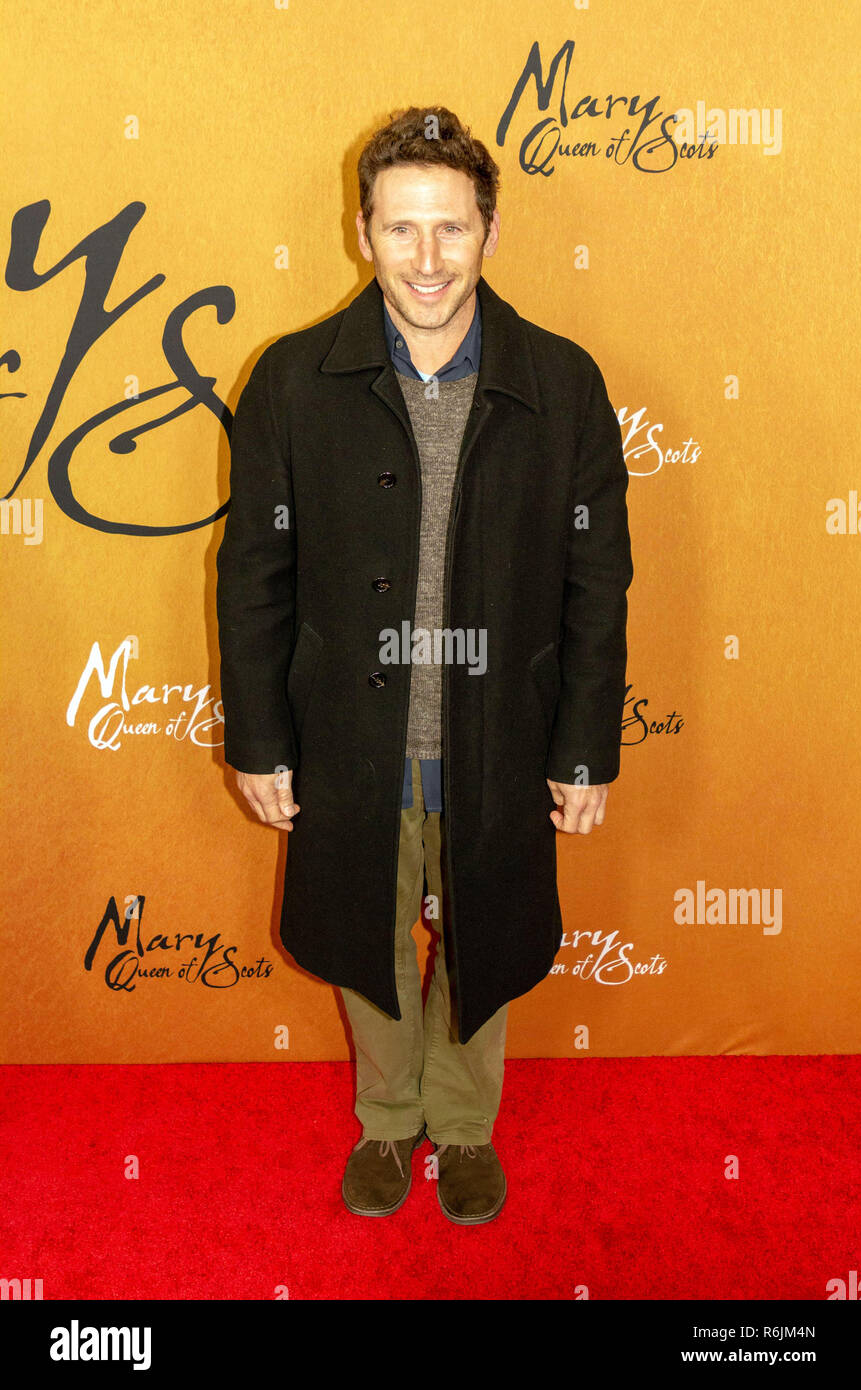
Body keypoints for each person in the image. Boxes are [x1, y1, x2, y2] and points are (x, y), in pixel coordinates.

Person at [215, 106, 633, 1225]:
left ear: (488, 229)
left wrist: (587, 744)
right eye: (402, 229)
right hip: (353, 732)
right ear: (362, 232)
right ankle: (389, 1126)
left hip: (502, 729)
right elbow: (252, 569)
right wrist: (257, 737)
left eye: (449, 228)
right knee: (366, 934)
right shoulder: (294, 380)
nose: (428, 259)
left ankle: (462, 1127)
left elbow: (598, 584)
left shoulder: (564, 382)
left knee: (484, 932)